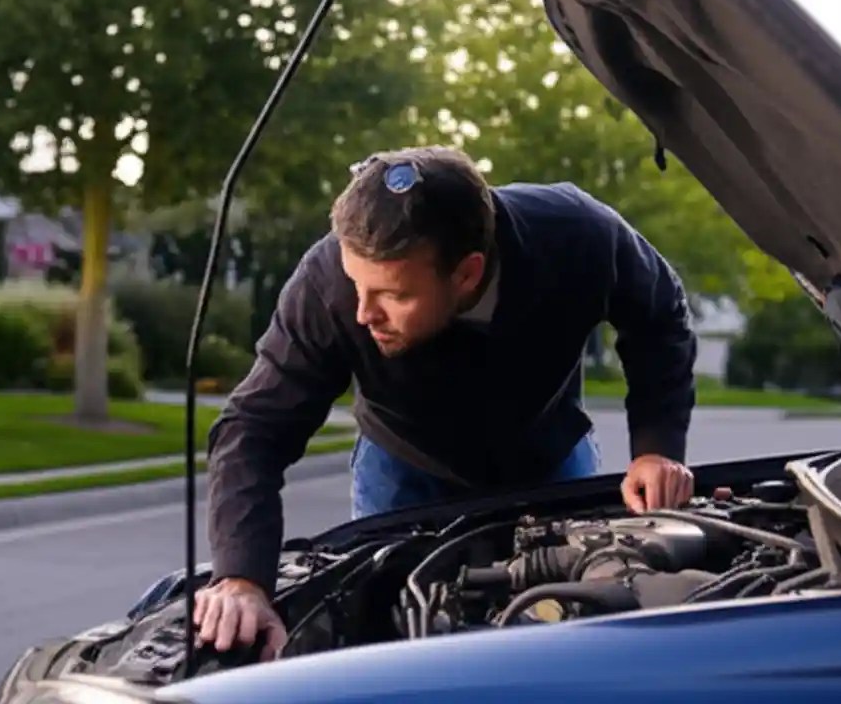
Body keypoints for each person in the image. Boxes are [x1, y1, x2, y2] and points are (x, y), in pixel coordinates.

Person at [191, 145, 698, 662]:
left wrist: (655, 449)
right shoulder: (327, 282)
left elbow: (660, 319)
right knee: (396, 640)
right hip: (401, 468)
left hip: (549, 455)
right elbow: (254, 428)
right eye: (355, 285)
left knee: (566, 635)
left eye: (392, 295)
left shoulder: (578, 234)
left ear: (466, 274)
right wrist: (241, 578)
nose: (363, 312)